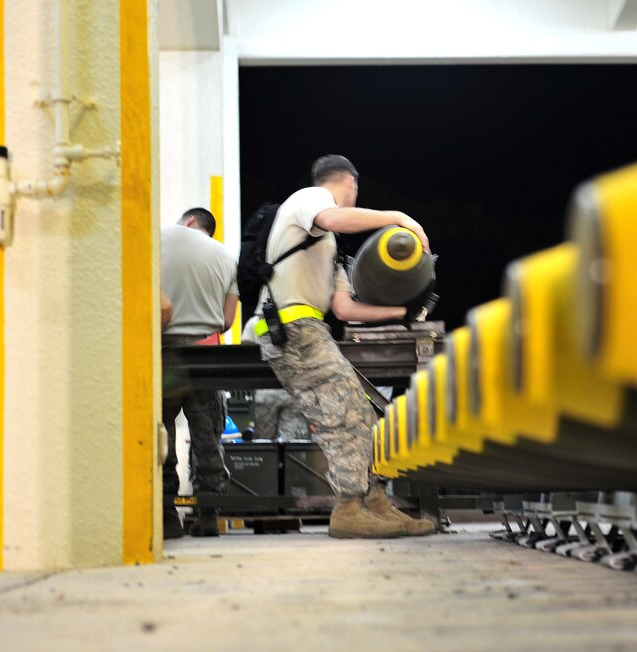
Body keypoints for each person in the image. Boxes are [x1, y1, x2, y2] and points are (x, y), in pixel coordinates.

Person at [256, 154, 436, 538]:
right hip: (293, 330)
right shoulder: (309, 198)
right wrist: (398, 217)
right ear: (350, 183)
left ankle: (376, 504)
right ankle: (348, 509)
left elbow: (344, 307)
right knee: (345, 415)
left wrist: (403, 310)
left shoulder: (327, 243)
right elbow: (333, 218)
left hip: (312, 330)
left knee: (364, 415)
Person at [160, 207, 237, 539]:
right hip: (205, 357)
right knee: (207, 438)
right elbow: (227, 321)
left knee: (161, 434)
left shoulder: (155, 238)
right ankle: (207, 514)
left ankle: (165, 516)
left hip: (163, 356)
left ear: (188, 220)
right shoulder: (224, 255)